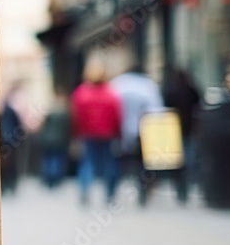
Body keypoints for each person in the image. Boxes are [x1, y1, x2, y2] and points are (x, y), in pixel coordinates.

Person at [110, 65, 163, 205]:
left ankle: (114, 190)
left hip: (120, 130)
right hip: (144, 130)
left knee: (121, 160)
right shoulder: (148, 85)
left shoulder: (117, 84)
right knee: (143, 162)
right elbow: (157, 110)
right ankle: (143, 188)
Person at [71, 60, 121, 205]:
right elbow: (117, 114)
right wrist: (118, 133)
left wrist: (76, 134)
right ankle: (110, 194)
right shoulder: (110, 92)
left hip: (87, 135)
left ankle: (85, 190)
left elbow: (76, 116)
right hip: (108, 134)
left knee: (87, 162)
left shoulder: (81, 93)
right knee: (109, 164)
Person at [163, 68, 201, 203]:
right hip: (189, 130)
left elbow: (165, 110)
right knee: (189, 159)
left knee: (177, 160)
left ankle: (180, 186)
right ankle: (187, 183)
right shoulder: (191, 90)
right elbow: (199, 108)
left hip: (175, 131)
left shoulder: (171, 92)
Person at [37, 93, 70, 188]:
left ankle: (47, 178)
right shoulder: (64, 114)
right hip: (59, 141)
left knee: (47, 160)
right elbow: (67, 129)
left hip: (47, 140)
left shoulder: (50, 113)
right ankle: (55, 178)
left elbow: (43, 126)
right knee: (56, 160)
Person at [0, 88, 24, 195]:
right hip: (9, 140)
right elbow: (18, 125)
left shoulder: (3, 112)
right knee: (10, 164)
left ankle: (6, 186)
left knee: (5, 165)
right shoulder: (10, 110)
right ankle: (9, 185)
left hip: (4, 140)